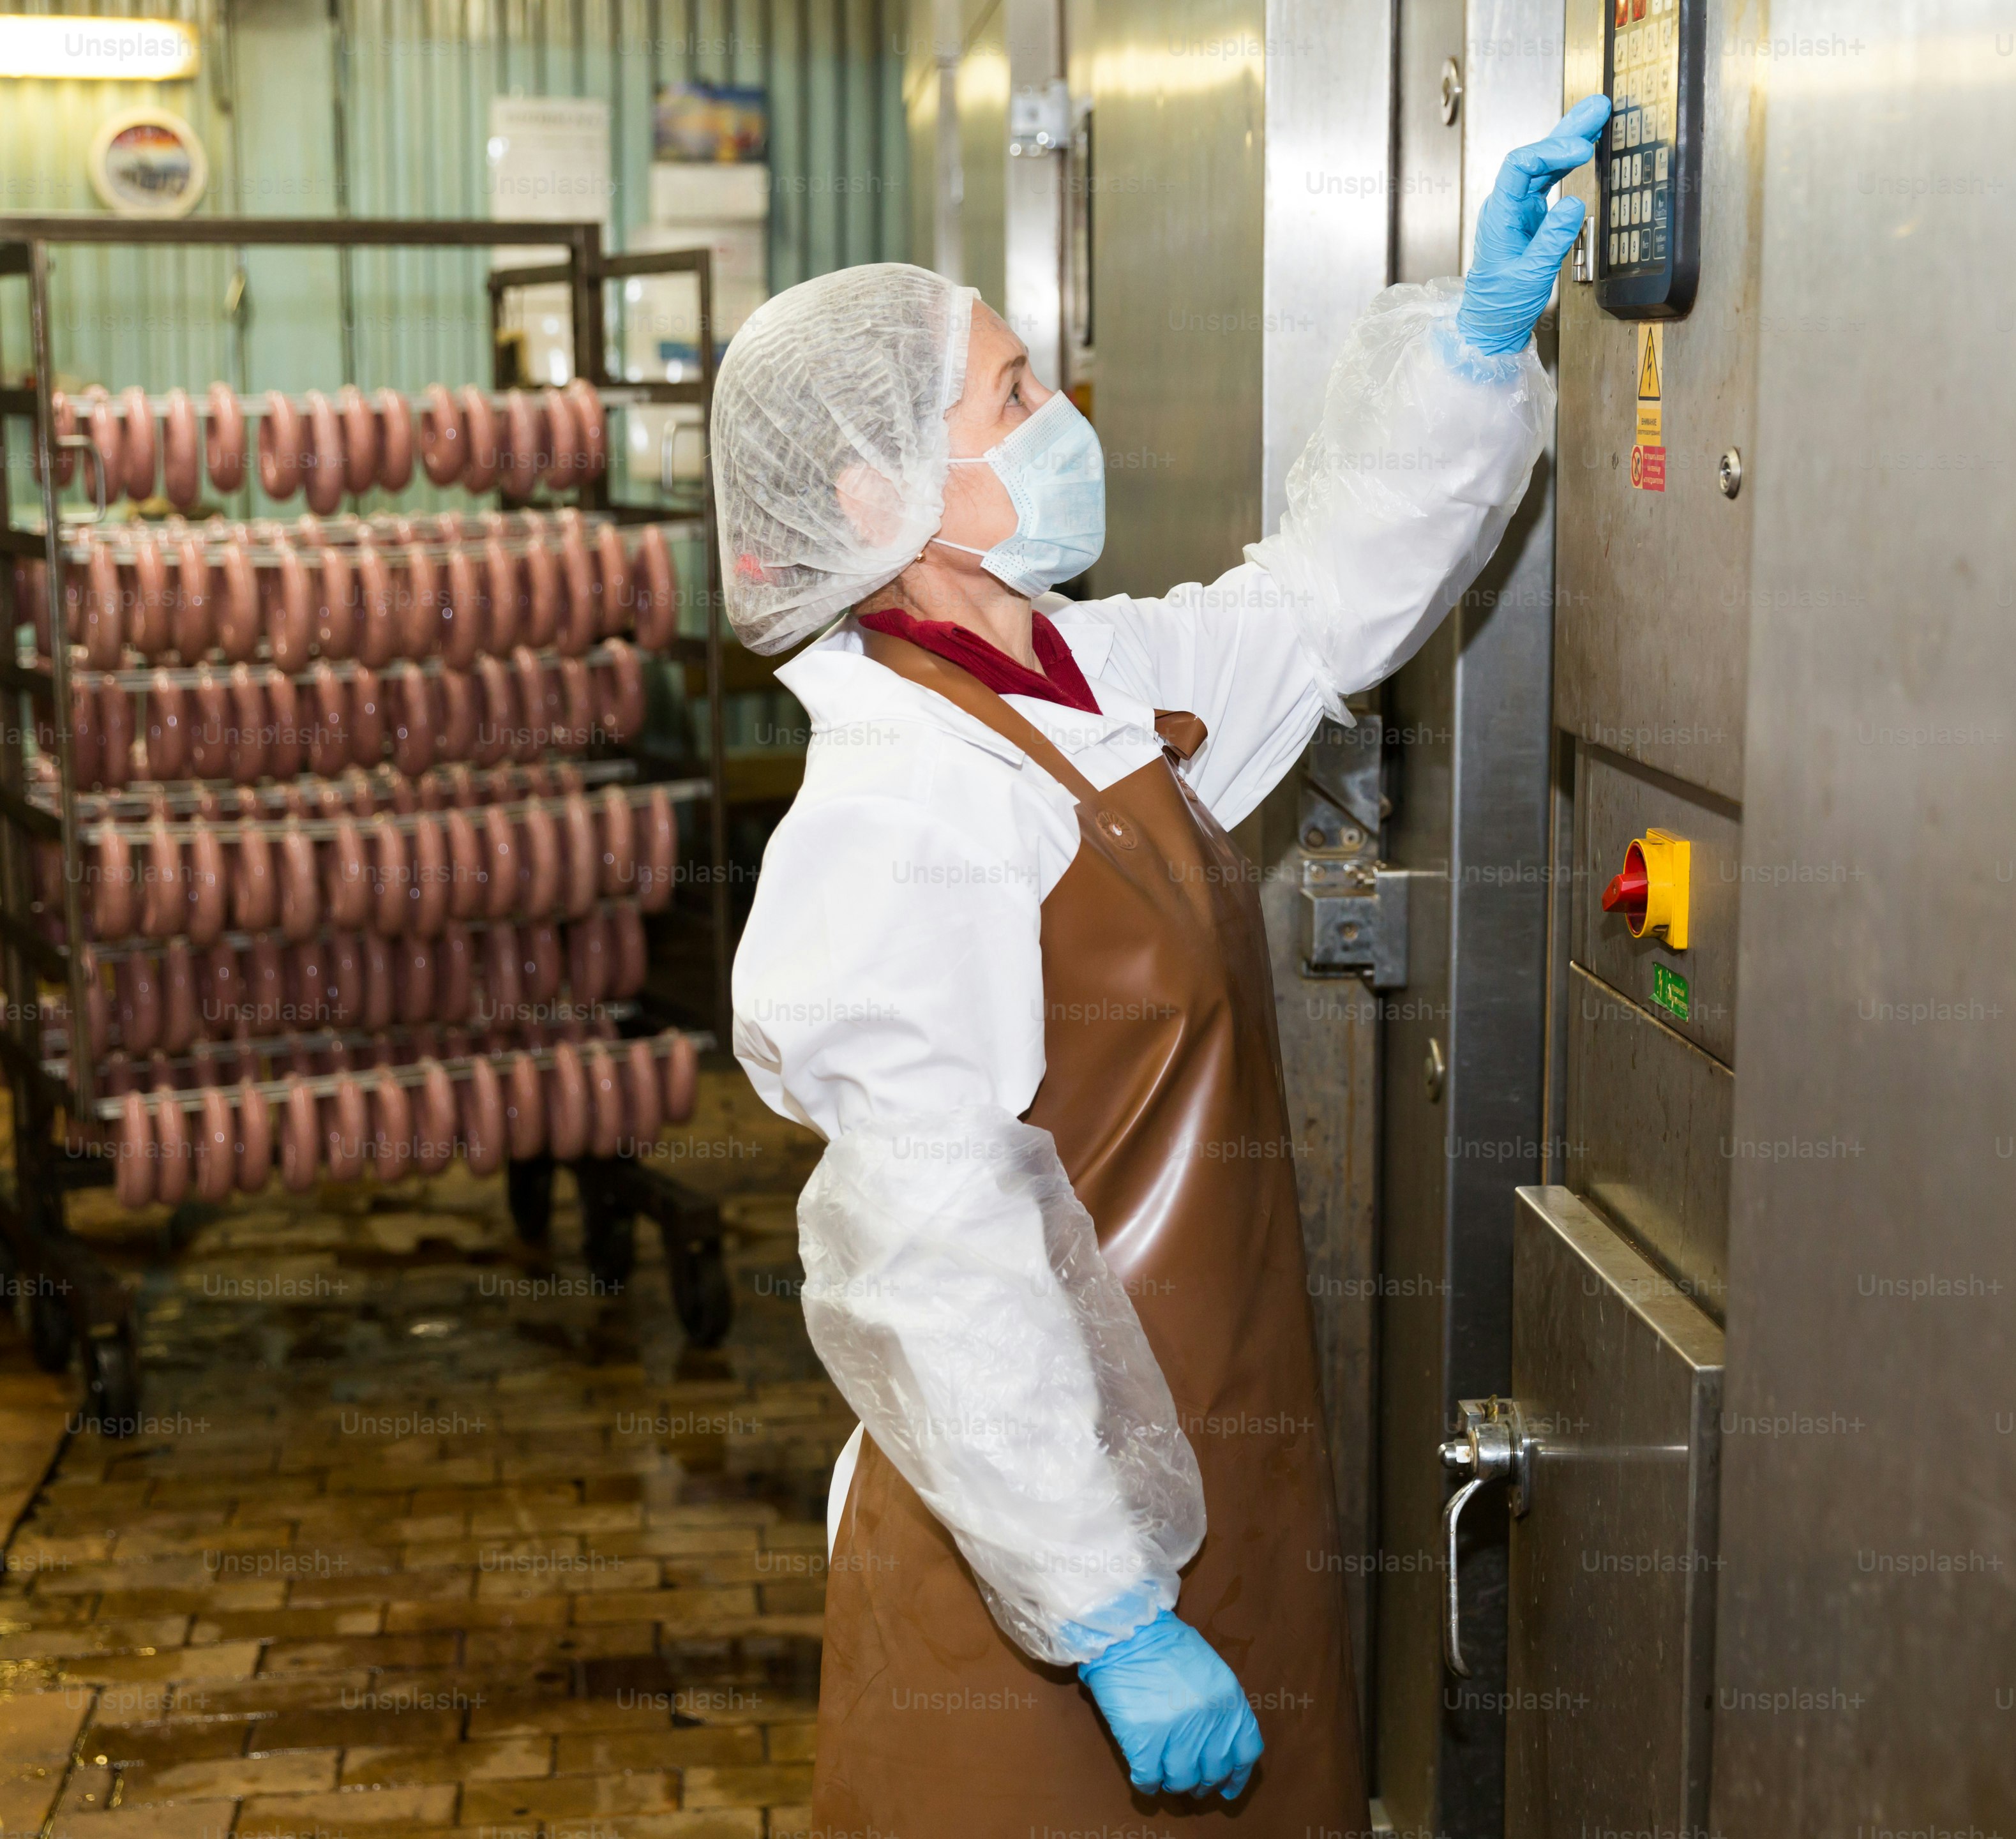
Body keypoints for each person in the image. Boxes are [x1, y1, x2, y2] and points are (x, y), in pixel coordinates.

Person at [719, 97, 1610, 1834]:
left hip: (1204, 1455)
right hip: (1035, 1566)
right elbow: (929, 1251)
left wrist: (1475, 346)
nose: (1061, 419)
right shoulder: (898, 807)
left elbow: (1314, 609)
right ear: (872, 489)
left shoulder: (1078, 681)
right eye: (1011, 397)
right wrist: (1106, 1610)